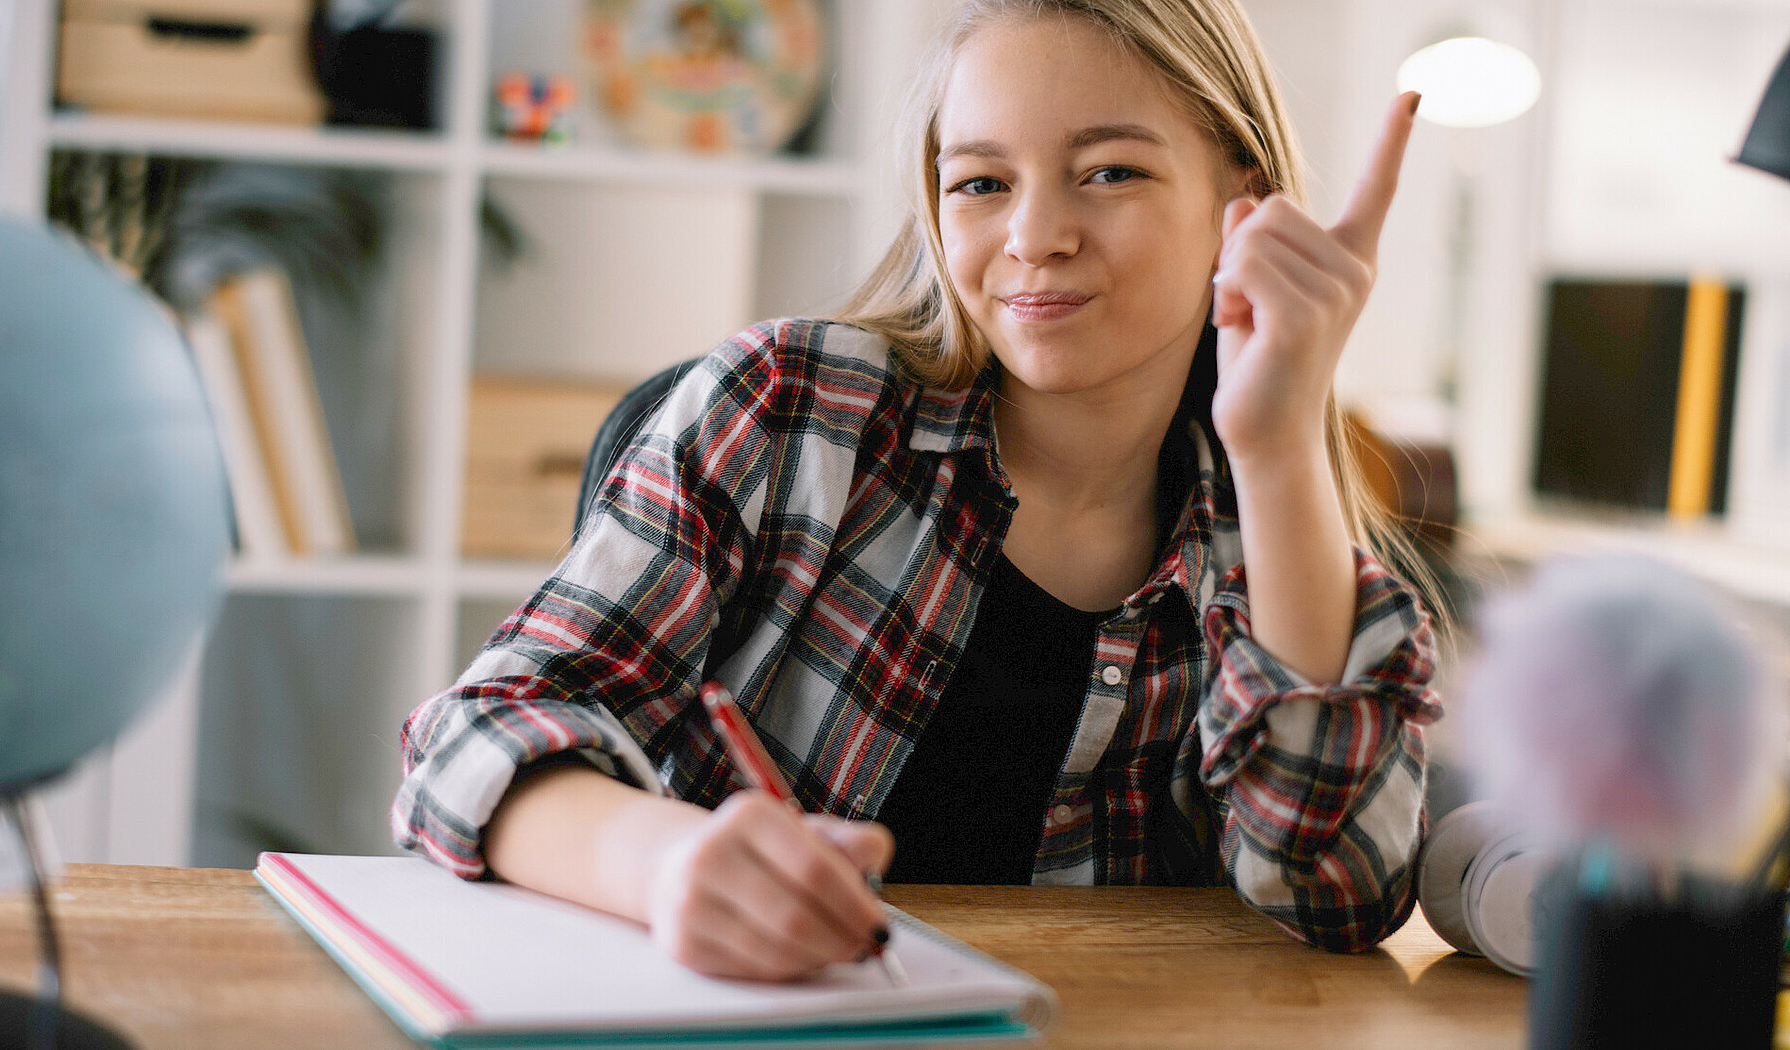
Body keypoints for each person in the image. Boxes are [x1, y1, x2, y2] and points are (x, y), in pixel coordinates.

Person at [394, 0, 1442, 982]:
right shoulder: (789, 411)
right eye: (981, 182)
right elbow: (474, 739)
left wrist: (1277, 450)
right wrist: (665, 864)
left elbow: (1334, 893)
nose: (1035, 236)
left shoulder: (1256, 524)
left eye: (1109, 172)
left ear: (1239, 204)